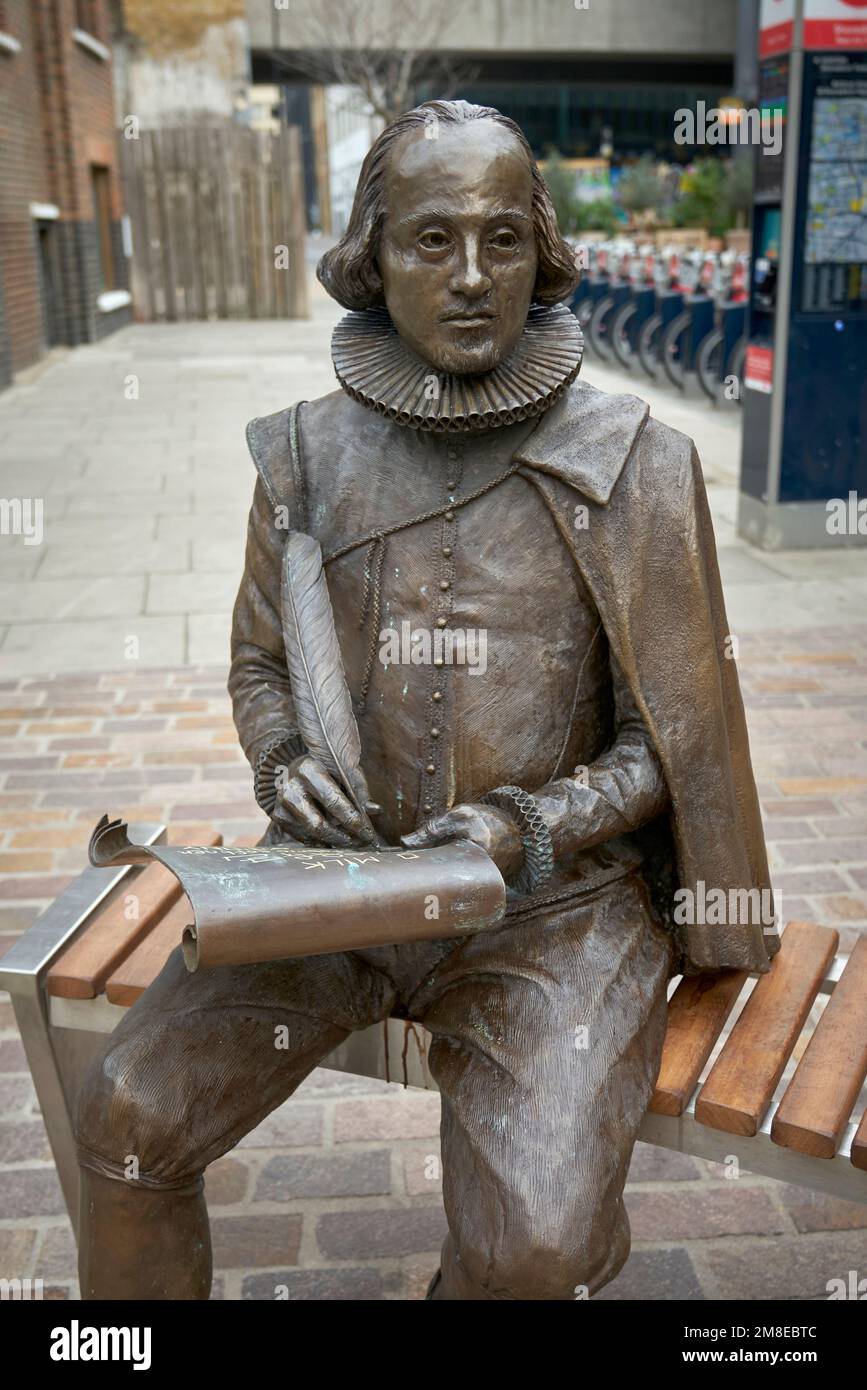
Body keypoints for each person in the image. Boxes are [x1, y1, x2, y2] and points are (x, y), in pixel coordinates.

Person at [76, 100, 779, 1301]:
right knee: (128, 1114)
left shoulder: (637, 460)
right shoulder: (303, 454)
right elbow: (258, 664)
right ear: (371, 256)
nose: (469, 278)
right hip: (338, 886)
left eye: (503, 241)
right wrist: (280, 753)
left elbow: (673, 739)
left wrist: (530, 826)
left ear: (544, 254)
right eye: (430, 241)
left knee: (536, 1251)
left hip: (554, 908)